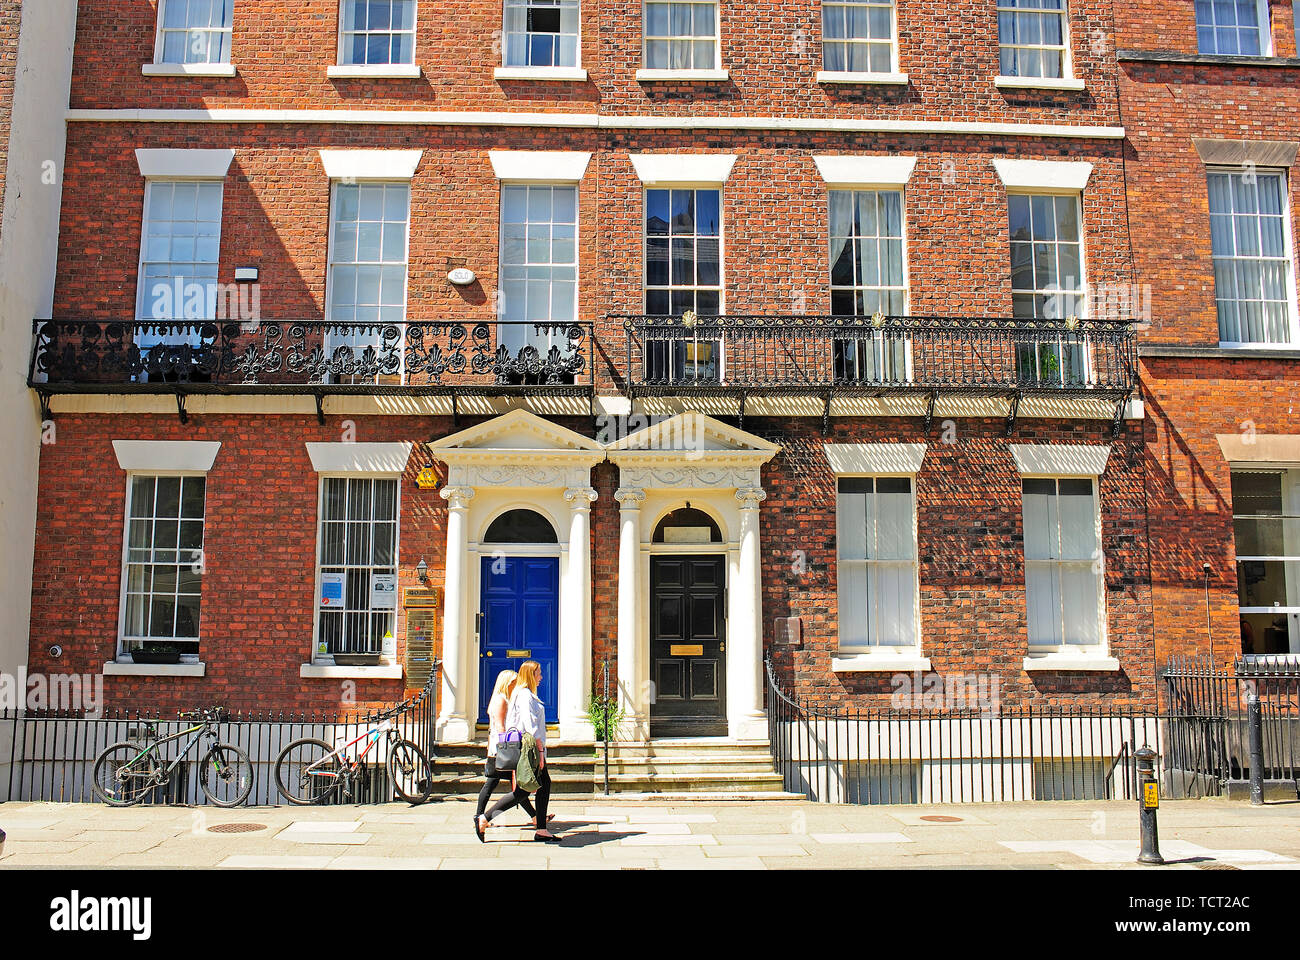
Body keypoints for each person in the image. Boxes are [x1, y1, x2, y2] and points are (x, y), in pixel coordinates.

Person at [482, 660, 560, 843]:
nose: (541, 677)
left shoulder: (525, 694)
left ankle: (541, 828)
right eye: (538, 674)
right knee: (523, 791)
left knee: (542, 785)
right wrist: (540, 752)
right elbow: (529, 726)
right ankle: (485, 818)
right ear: (530, 675)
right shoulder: (524, 695)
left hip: (532, 749)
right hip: (531, 750)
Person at [474, 669, 539, 839]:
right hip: (501, 750)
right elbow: (501, 727)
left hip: (497, 749)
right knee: (517, 788)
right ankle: (482, 817)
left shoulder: (502, 698)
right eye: (514, 682)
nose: (516, 685)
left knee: (509, 786)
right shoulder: (501, 700)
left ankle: (534, 817)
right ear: (507, 683)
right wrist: (510, 749)